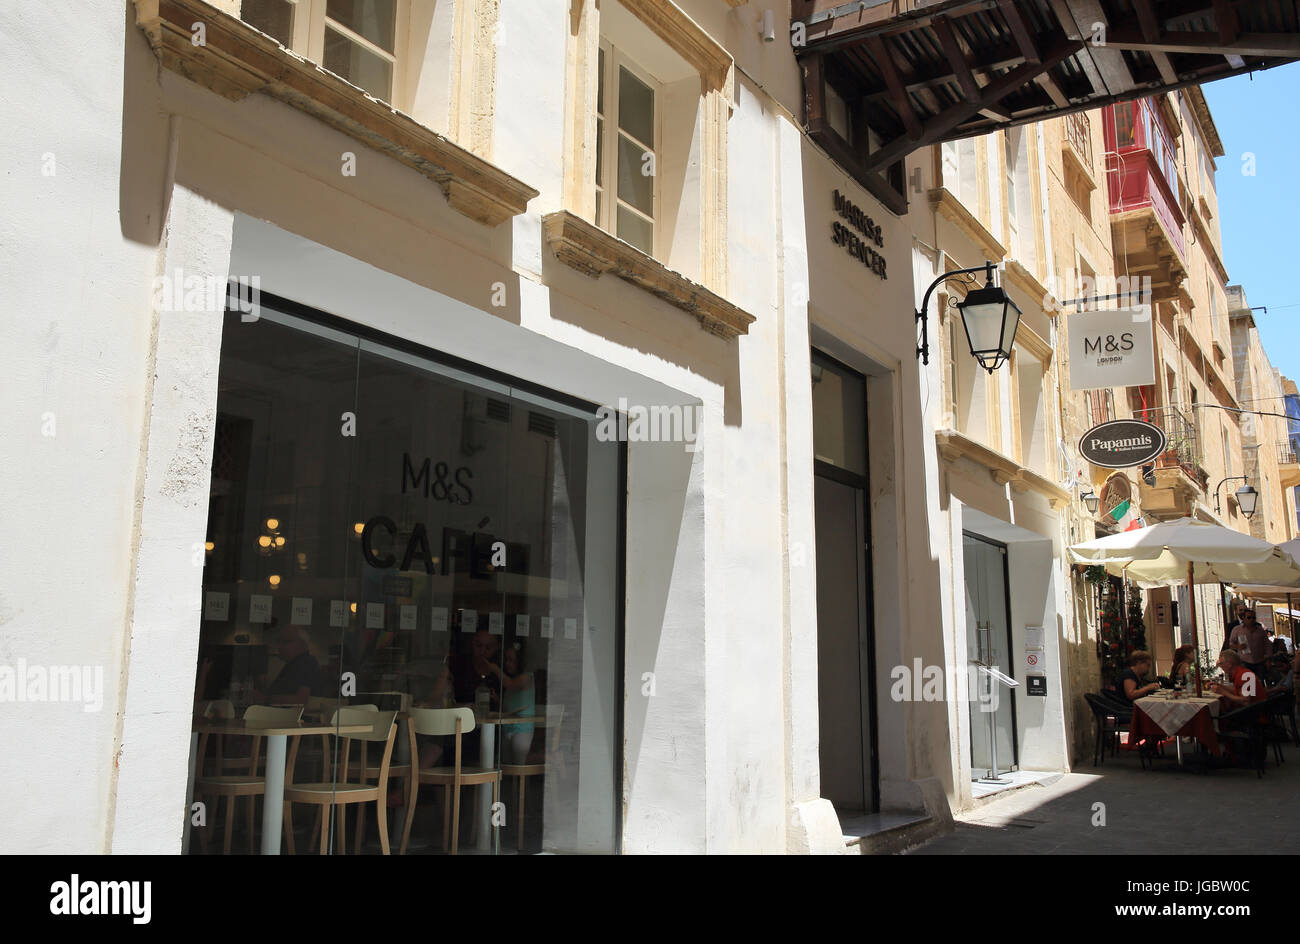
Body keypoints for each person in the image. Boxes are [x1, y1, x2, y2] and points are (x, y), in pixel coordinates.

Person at [251, 624, 320, 706]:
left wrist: (264, 698)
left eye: (286, 642)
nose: (279, 646)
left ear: (302, 644)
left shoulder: (306, 663)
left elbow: (300, 701)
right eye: (278, 642)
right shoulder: (294, 664)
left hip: (289, 717)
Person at [489, 642, 536, 764]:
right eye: (506, 660)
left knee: (520, 762)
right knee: (505, 763)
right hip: (508, 727)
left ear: (520, 662)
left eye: (511, 660)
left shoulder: (526, 677)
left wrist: (495, 669)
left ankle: (550, 757)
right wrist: (498, 700)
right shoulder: (512, 679)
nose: (507, 663)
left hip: (522, 728)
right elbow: (508, 708)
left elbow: (509, 683)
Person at [1228, 609, 1270, 680]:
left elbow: (1267, 645)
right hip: (1244, 661)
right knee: (1246, 682)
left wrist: (1268, 659)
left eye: (1253, 618)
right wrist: (1238, 647)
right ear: (1243, 618)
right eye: (1249, 617)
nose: (1251, 620)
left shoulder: (1260, 630)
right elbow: (1231, 644)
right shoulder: (1237, 630)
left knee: (1259, 682)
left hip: (1259, 661)